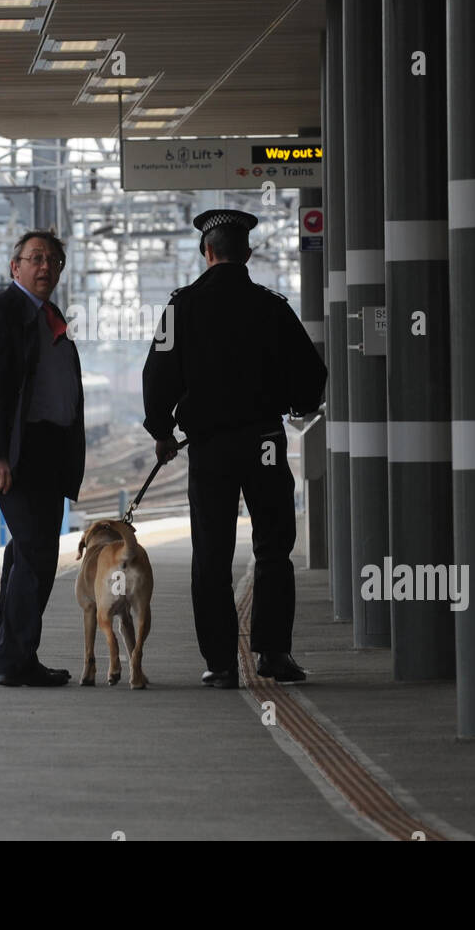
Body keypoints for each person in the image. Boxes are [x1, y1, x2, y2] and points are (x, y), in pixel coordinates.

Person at [142, 208, 327, 688]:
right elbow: (312, 375)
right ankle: (274, 654)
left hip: (209, 448)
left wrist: (162, 431)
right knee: (273, 548)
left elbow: (156, 375)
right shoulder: (272, 307)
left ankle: (222, 664)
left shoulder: (179, 308)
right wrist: (295, 404)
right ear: (247, 252)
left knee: (211, 554)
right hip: (264, 442)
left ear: (207, 252)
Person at [0, 229, 85, 687]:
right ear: (14, 267)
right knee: (37, 555)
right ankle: (16, 661)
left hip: (49, 453)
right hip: (18, 454)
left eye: (53, 260)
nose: (44, 267)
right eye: (35, 258)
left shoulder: (50, 314)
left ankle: (9, 658)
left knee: (24, 555)